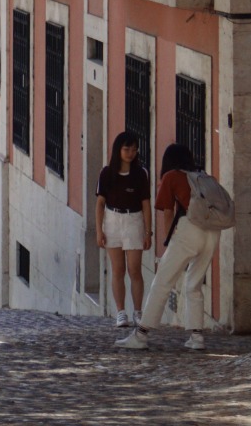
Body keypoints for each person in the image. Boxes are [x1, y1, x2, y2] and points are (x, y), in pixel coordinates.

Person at [117, 143, 219, 351]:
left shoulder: (171, 176)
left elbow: (168, 211)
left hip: (189, 229)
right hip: (212, 231)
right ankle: (197, 337)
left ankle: (141, 335)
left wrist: (169, 241)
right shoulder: (203, 176)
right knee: (194, 283)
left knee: (162, 282)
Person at [94, 131, 152, 327]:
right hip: (112, 220)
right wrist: (99, 230)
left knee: (134, 269)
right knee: (118, 269)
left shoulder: (141, 174)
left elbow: (146, 204)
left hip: (134, 220)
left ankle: (138, 311)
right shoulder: (106, 173)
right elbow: (100, 203)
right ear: (118, 150)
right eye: (126, 149)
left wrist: (148, 232)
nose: (130, 153)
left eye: (134, 150)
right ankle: (120, 312)